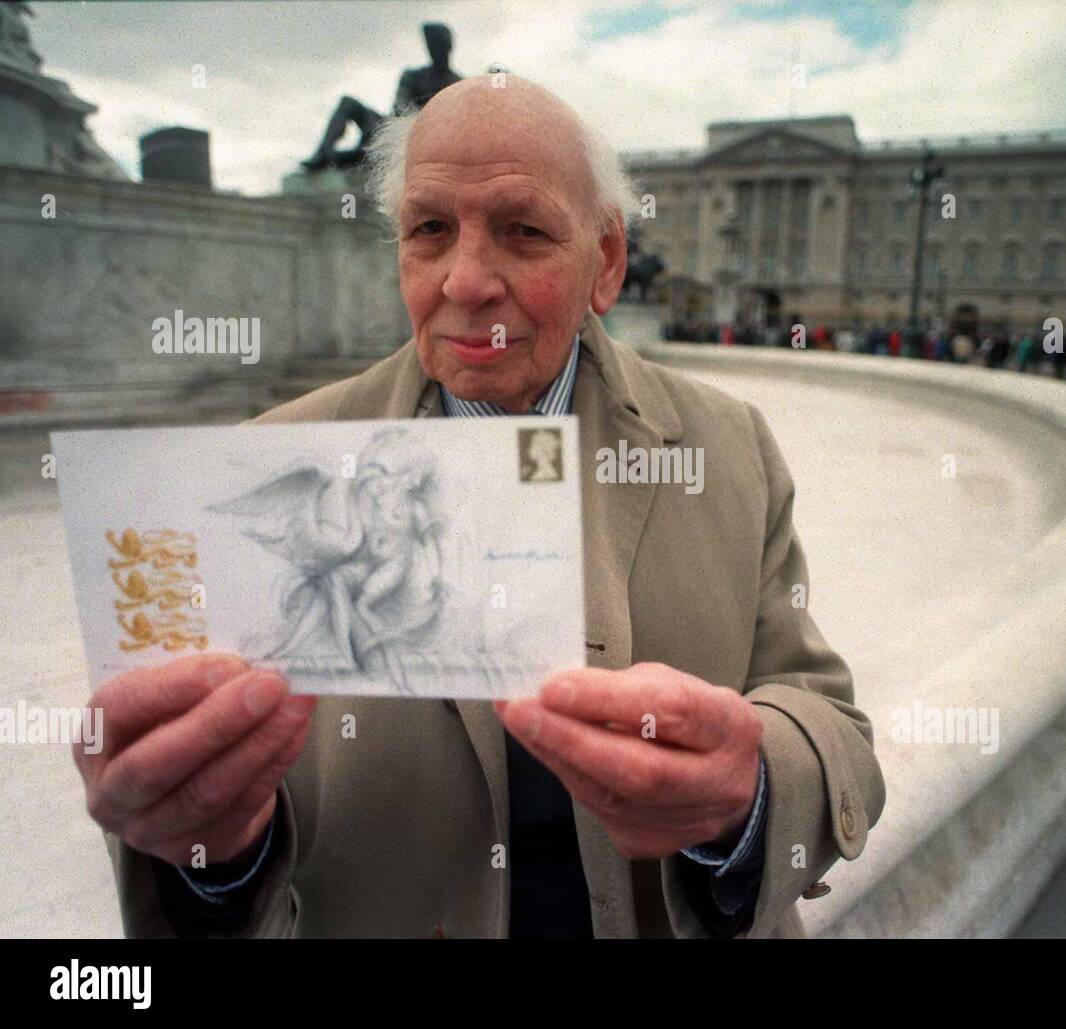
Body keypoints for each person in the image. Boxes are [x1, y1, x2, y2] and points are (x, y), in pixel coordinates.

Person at [76, 76, 885, 940]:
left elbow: (831, 723)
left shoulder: (727, 445)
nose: (466, 281)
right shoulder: (271, 459)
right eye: (429, 230)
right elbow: (218, 845)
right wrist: (209, 852)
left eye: (523, 230)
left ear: (606, 262)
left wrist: (750, 789)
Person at [301, 23, 462, 171]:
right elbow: (401, 105)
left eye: (437, 44)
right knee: (348, 103)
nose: (434, 49)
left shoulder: (459, 84)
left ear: (448, 46)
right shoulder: (413, 76)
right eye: (431, 45)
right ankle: (322, 153)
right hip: (393, 129)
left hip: (419, 142)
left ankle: (348, 156)